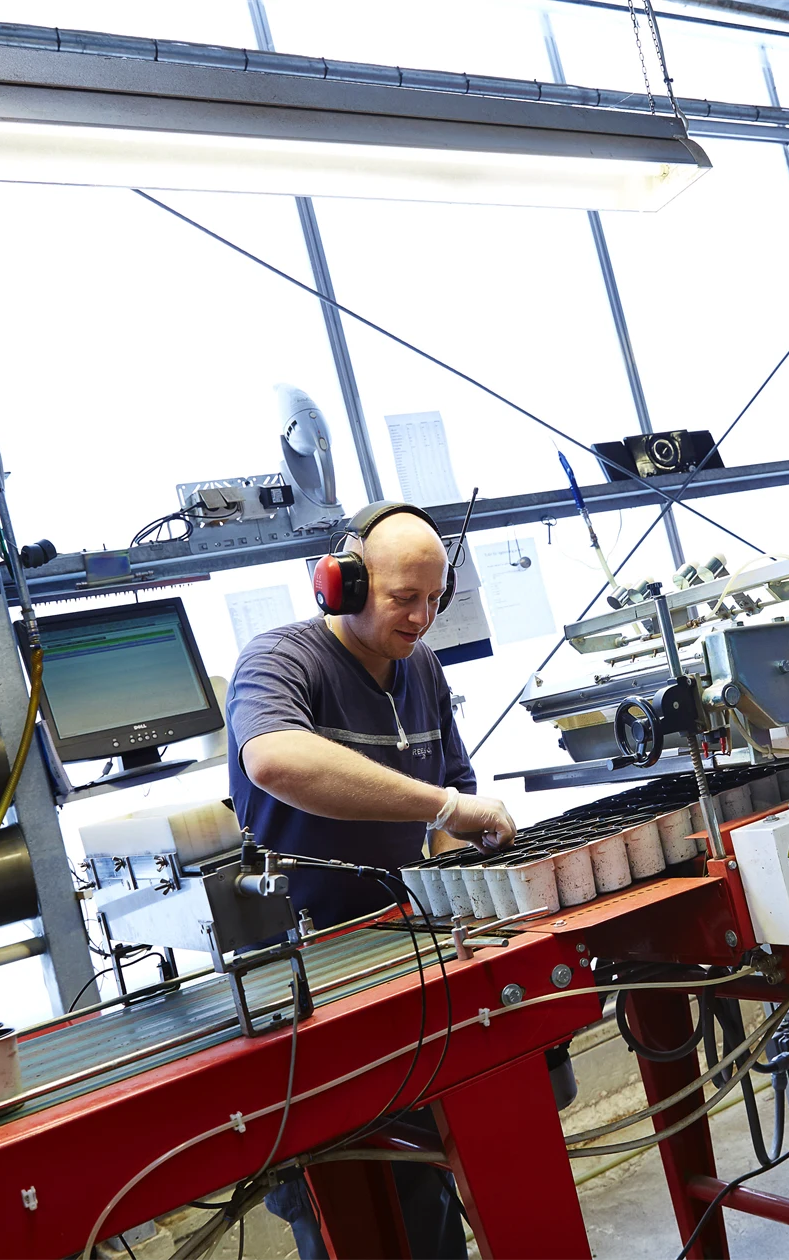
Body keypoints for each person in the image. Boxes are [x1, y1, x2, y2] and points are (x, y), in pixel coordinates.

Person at [226, 503, 515, 1260]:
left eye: (433, 598)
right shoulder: (280, 660)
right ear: (342, 586)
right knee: (343, 1200)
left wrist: (462, 882)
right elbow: (275, 761)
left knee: (427, 1188)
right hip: (305, 977)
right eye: (403, 599)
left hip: (402, 955)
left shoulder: (422, 669)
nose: (422, 617)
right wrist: (445, 805)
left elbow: (453, 802)